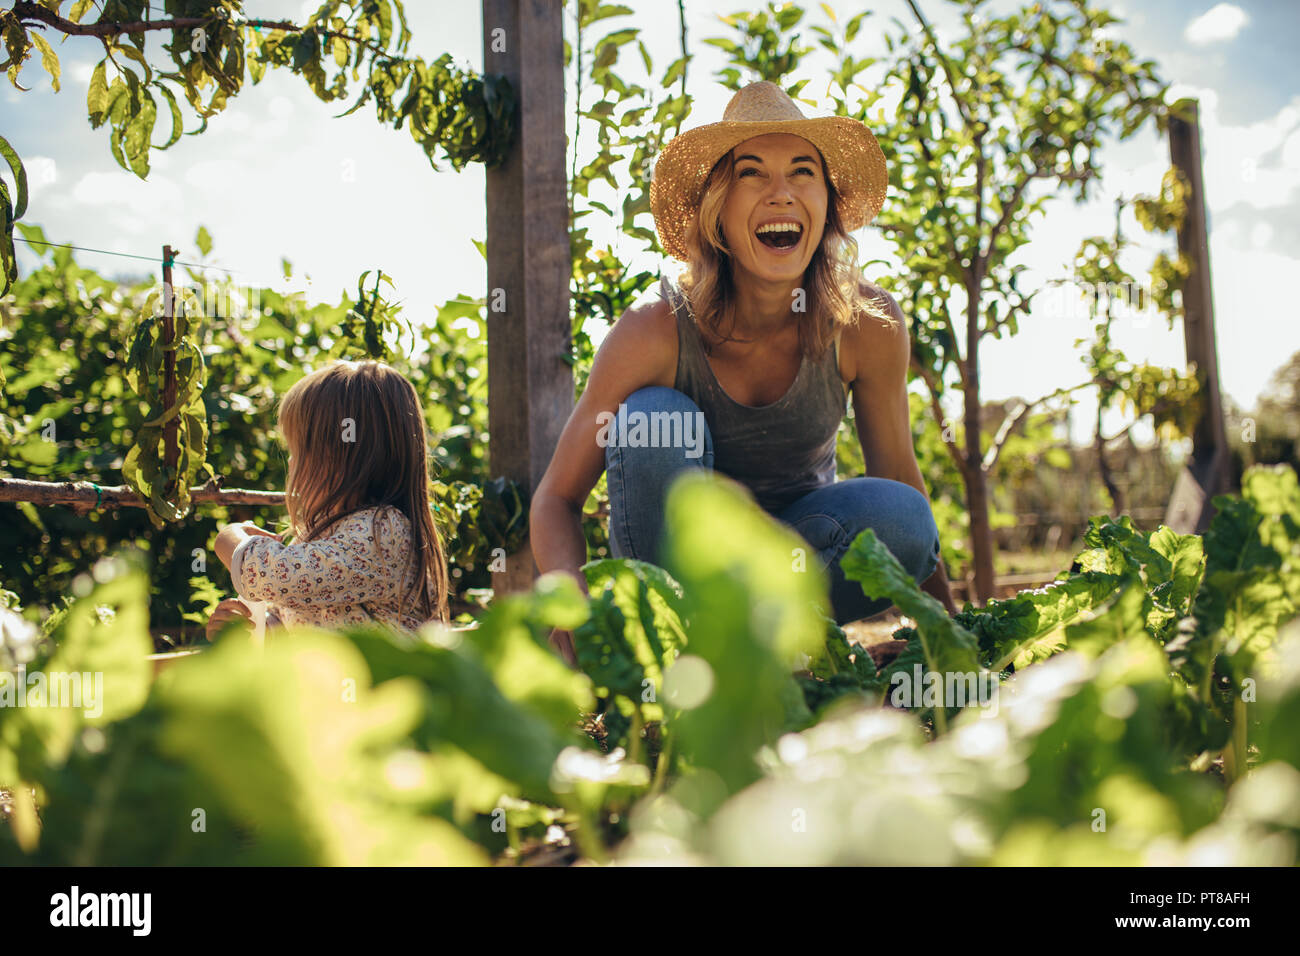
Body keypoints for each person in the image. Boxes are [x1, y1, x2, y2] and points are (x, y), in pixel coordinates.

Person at [531, 81, 958, 664]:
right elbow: (555, 497)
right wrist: (568, 590)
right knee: (657, 419)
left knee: (905, 517)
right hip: (672, 574)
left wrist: (950, 632)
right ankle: (673, 652)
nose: (781, 193)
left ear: (827, 206)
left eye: (803, 172)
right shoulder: (653, 331)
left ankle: (762, 644)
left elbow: (900, 477)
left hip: (798, 556)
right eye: (753, 174)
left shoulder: (868, 323)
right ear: (717, 213)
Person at [206, 360, 450, 639]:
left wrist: (229, 539)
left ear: (341, 459)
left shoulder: (381, 532)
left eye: (297, 449)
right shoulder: (320, 532)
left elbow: (273, 575)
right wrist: (253, 629)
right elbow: (298, 616)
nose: (291, 461)